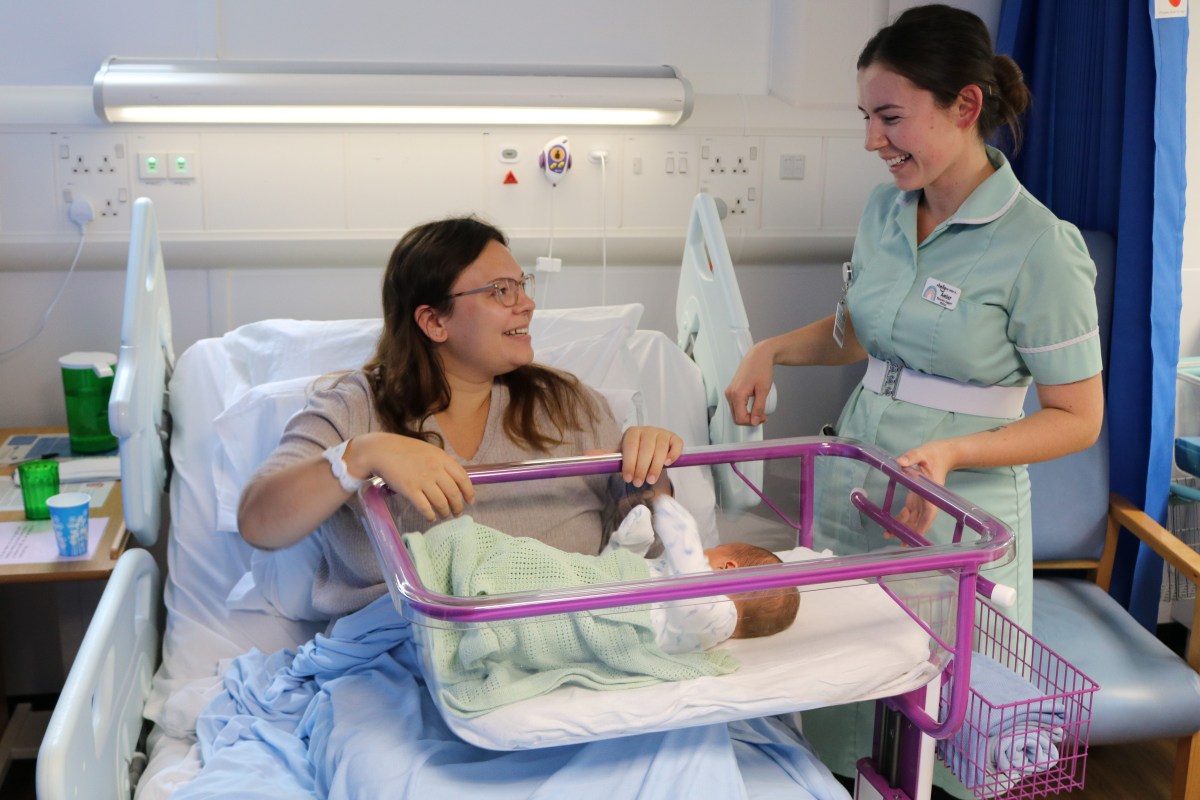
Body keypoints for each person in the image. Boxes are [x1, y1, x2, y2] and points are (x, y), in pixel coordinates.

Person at [723, 3, 1103, 790]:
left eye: (891, 117)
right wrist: (770, 352)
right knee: (846, 699)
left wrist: (954, 450)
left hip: (958, 509)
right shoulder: (884, 212)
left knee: (944, 723)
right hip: (860, 485)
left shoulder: (1040, 248)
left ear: (965, 107)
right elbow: (857, 335)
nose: (872, 140)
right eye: (867, 117)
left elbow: (1078, 418)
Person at [237, 215, 684, 620]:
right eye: (500, 290)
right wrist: (360, 455)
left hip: (565, 646)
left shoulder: (568, 406)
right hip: (401, 656)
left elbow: (648, 550)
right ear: (434, 322)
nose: (526, 304)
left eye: (521, 284)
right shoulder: (354, 410)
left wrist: (648, 477)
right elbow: (259, 522)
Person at [604, 494, 800, 651]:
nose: (700, 554)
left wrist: (683, 532)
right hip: (599, 588)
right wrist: (629, 549)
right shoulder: (684, 581)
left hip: (608, 621)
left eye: (715, 549)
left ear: (727, 568)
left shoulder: (721, 616)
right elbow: (619, 576)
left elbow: (691, 604)